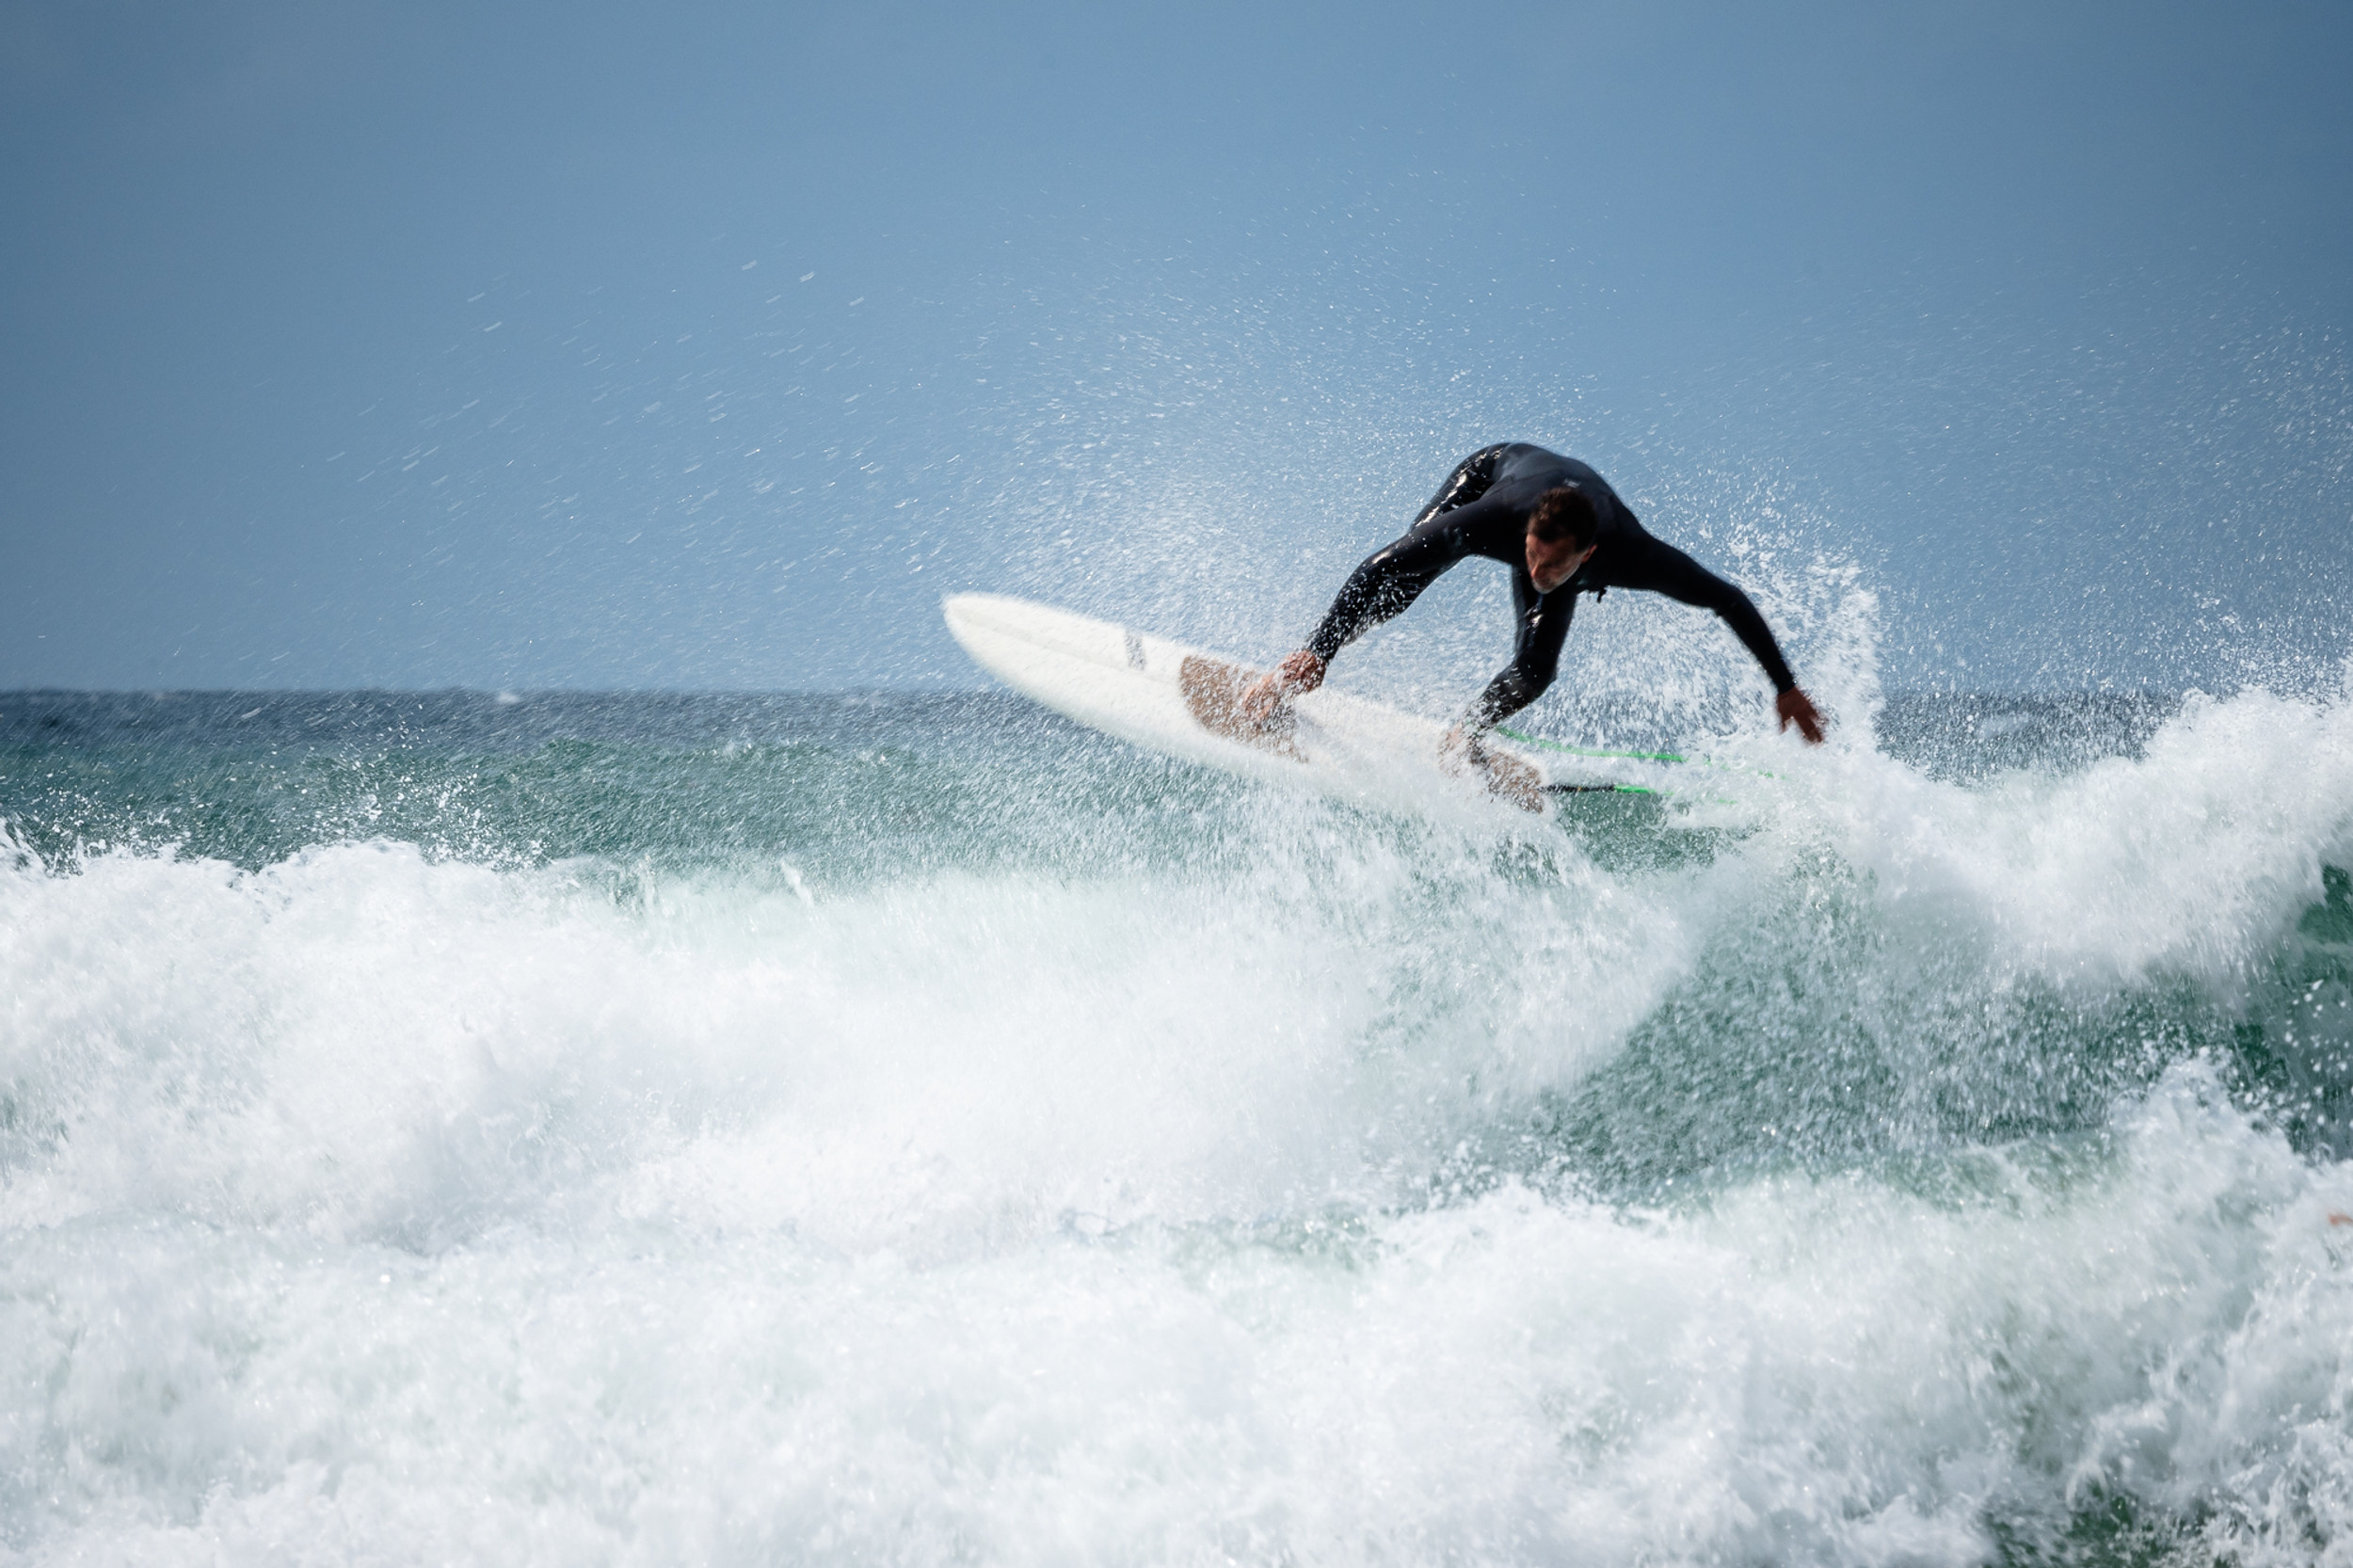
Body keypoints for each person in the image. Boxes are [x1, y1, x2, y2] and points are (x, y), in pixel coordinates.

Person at [1241, 442, 1826, 788]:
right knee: (1403, 585)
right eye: (1532, 558)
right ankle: (1291, 675)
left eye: (1551, 567)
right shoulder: (1489, 521)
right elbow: (1376, 567)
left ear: (1587, 557)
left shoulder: (1635, 555)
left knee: (1538, 670)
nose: (1535, 572)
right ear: (1528, 537)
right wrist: (1320, 649)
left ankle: (1463, 735)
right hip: (1493, 474)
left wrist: (1785, 687)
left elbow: (1728, 598)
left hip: (1583, 530)